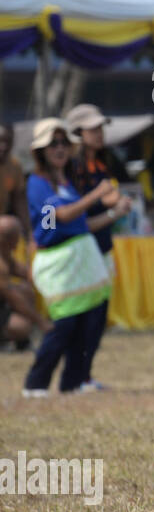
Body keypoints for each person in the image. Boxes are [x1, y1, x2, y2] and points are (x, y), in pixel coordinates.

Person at [22, 119, 124, 396]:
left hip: (82, 259)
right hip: (58, 263)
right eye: (53, 143)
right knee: (64, 324)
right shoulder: (38, 183)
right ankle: (35, 383)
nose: (59, 148)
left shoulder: (68, 183)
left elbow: (81, 225)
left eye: (64, 142)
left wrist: (116, 212)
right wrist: (96, 196)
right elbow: (59, 217)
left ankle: (74, 381)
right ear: (41, 150)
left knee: (88, 323)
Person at [65, 103, 128, 391]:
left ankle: (85, 376)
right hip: (83, 248)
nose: (99, 133)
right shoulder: (72, 168)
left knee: (98, 315)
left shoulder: (102, 162)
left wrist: (115, 202)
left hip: (102, 246)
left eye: (101, 127)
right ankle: (77, 377)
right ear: (77, 133)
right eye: (93, 128)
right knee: (86, 317)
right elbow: (77, 215)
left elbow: (107, 197)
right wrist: (113, 210)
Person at [1, 214, 53, 350]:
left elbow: (28, 275)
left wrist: (33, 252)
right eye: (17, 237)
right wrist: (42, 322)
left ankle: (20, 340)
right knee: (23, 327)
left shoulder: (4, 254)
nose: (19, 241)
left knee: (25, 289)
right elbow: (13, 298)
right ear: (10, 240)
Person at [0, 122, 30, 241]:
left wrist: (29, 232)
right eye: (0, 141)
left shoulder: (14, 166)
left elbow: (19, 200)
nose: (3, 146)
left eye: (8, 141)